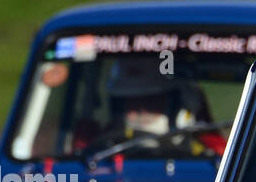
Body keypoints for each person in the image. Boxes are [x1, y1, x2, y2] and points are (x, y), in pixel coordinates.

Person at [72, 59, 227, 156]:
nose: (141, 110)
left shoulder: (211, 156)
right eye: (132, 101)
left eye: (151, 100)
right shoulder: (97, 153)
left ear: (177, 103)